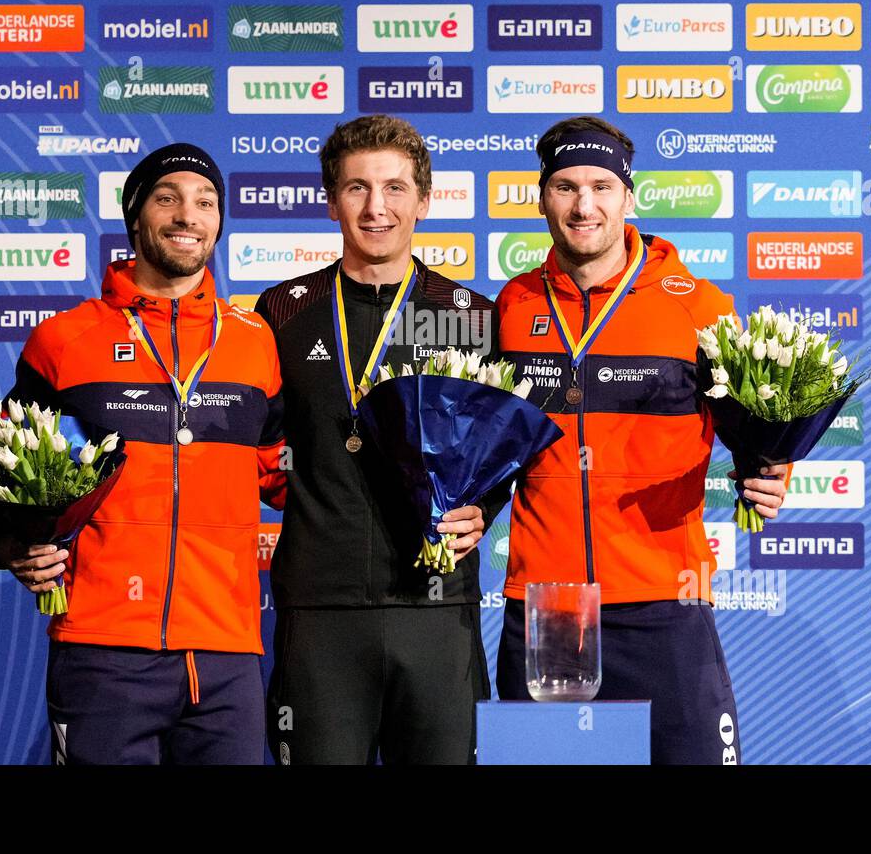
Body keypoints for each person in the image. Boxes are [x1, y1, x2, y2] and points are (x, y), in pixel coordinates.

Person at [494, 116, 789, 765]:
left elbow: (753, 428)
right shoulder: (511, 308)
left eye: (601, 185)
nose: (584, 205)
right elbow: (488, 444)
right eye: (566, 187)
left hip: (664, 601)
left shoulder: (698, 306)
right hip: (547, 608)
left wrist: (769, 470)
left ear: (630, 196)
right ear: (543, 196)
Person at [0, 143, 285, 765]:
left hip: (227, 653)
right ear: (135, 215)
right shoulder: (64, 340)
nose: (187, 216)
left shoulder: (256, 344)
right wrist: (14, 548)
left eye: (205, 203)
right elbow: (4, 482)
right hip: (103, 647)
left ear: (220, 223)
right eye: (167, 198)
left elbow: (284, 474)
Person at [255, 114, 508, 764]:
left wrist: (485, 506)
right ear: (331, 198)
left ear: (424, 200)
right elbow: (254, 445)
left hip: (436, 609)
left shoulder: (474, 317)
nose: (377, 208)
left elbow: (503, 450)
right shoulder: (280, 312)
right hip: (320, 612)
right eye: (357, 188)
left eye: (395, 188)